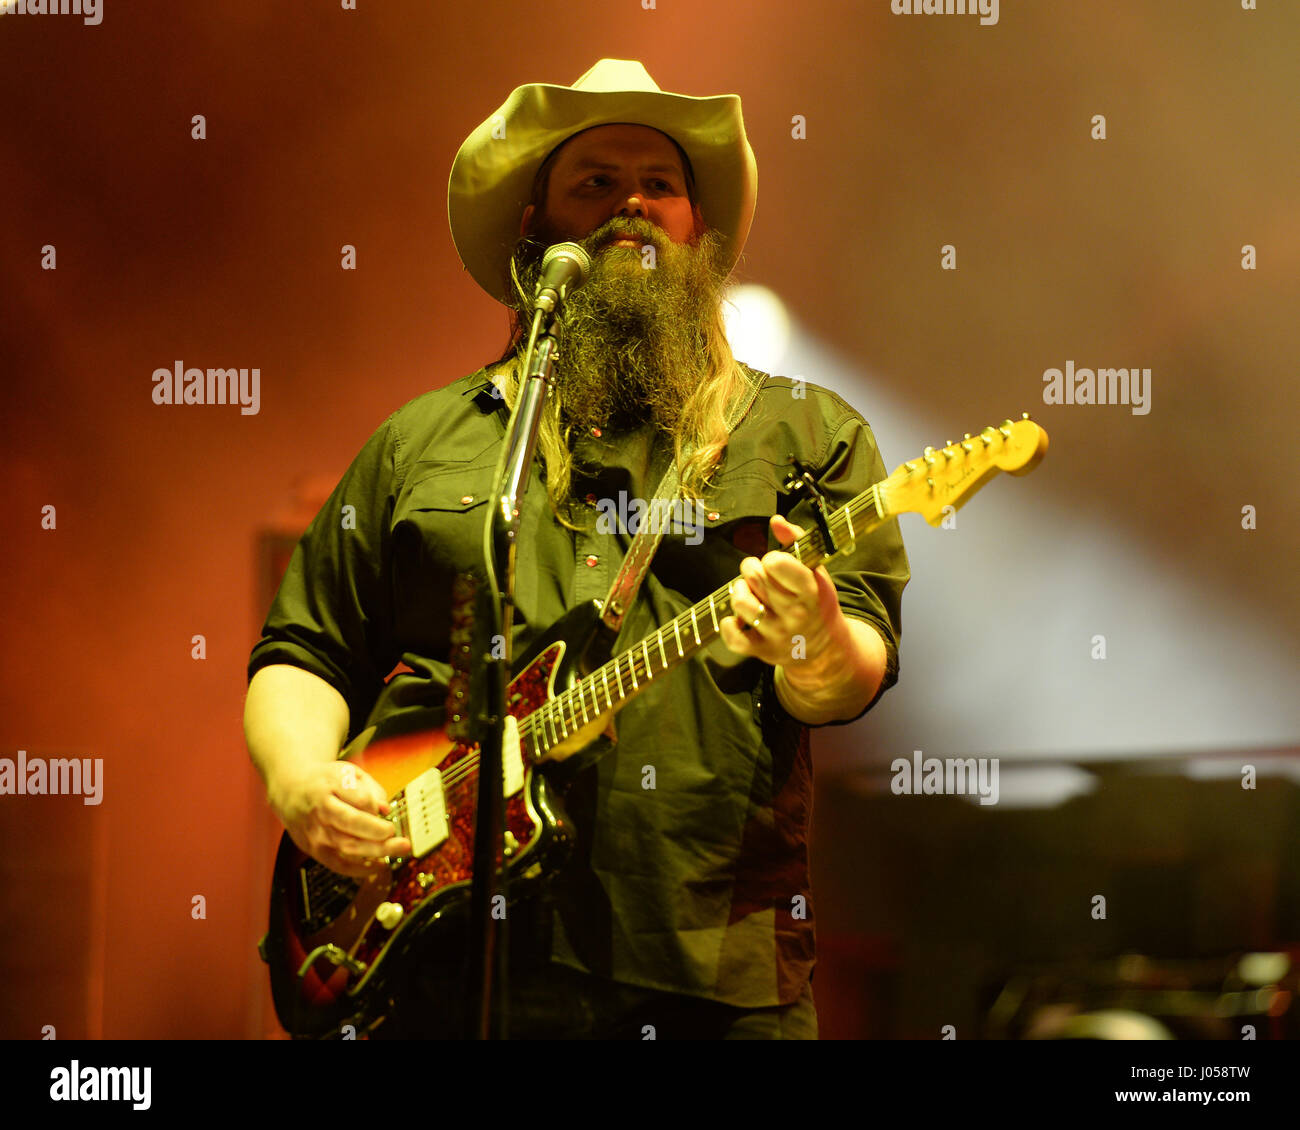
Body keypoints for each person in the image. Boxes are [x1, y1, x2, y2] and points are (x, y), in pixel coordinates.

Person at [244, 59, 909, 1040]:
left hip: (705, 971)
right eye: (594, 183)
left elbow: (844, 679)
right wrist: (301, 783)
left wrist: (813, 638)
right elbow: (303, 650)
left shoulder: (804, 432)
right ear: (535, 230)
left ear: (696, 232)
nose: (629, 205)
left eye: (658, 185)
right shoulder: (425, 440)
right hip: (444, 965)